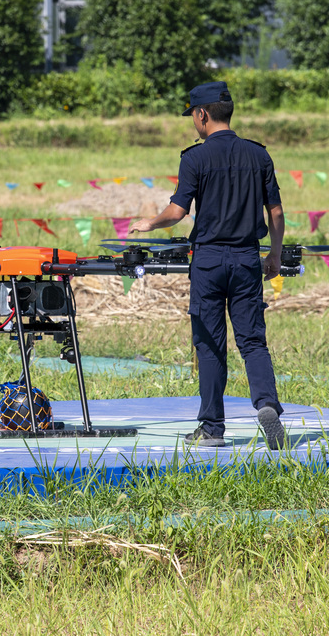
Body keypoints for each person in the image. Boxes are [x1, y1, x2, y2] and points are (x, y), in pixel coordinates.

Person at [131, 81, 287, 450]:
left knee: (210, 345)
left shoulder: (195, 158)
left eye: (192, 117)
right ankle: (267, 405)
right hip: (248, 258)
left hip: (209, 261)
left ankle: (212, 429)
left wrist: (149, 223)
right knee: (252, 341)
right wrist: (275, 255)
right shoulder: (259, 155)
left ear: (201, 114)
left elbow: (178, 211)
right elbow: (276, 212)